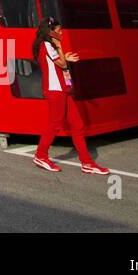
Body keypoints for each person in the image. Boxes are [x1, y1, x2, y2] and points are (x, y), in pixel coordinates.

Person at [32, 17, 109, 175]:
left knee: (77, 125)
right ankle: (41, 155)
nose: (61, 33)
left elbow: (57, 62)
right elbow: (62, 65)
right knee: (55, 123)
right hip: (55, 90)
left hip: (61, 89)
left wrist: (63, 55)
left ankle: (87, 162)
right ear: (51, 31)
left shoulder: (48, 45)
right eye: (59, 31)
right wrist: (61, 50)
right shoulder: (47, 44)